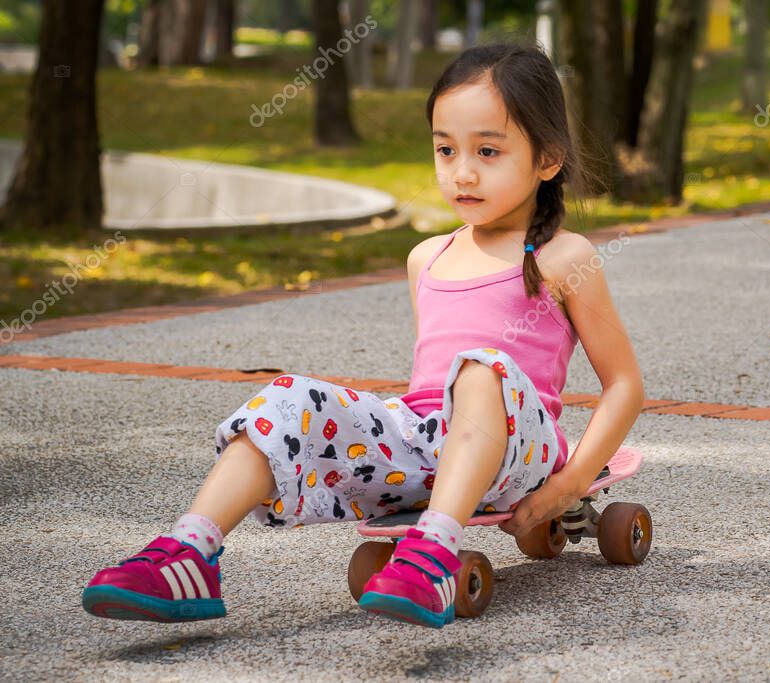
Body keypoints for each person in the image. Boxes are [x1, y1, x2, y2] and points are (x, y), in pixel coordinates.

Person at [81, 42, 645, 630]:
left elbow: (624, 383)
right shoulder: (426, 257)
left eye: (487, 151)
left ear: (548, 158)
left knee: (481, 370)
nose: (463, 171)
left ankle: (431, 557)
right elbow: (429, 388)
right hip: (428, 446)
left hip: (521, 450)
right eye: (445, 150)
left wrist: (571, 485)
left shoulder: (564, 256)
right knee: (288, 397)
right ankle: (187, 553)